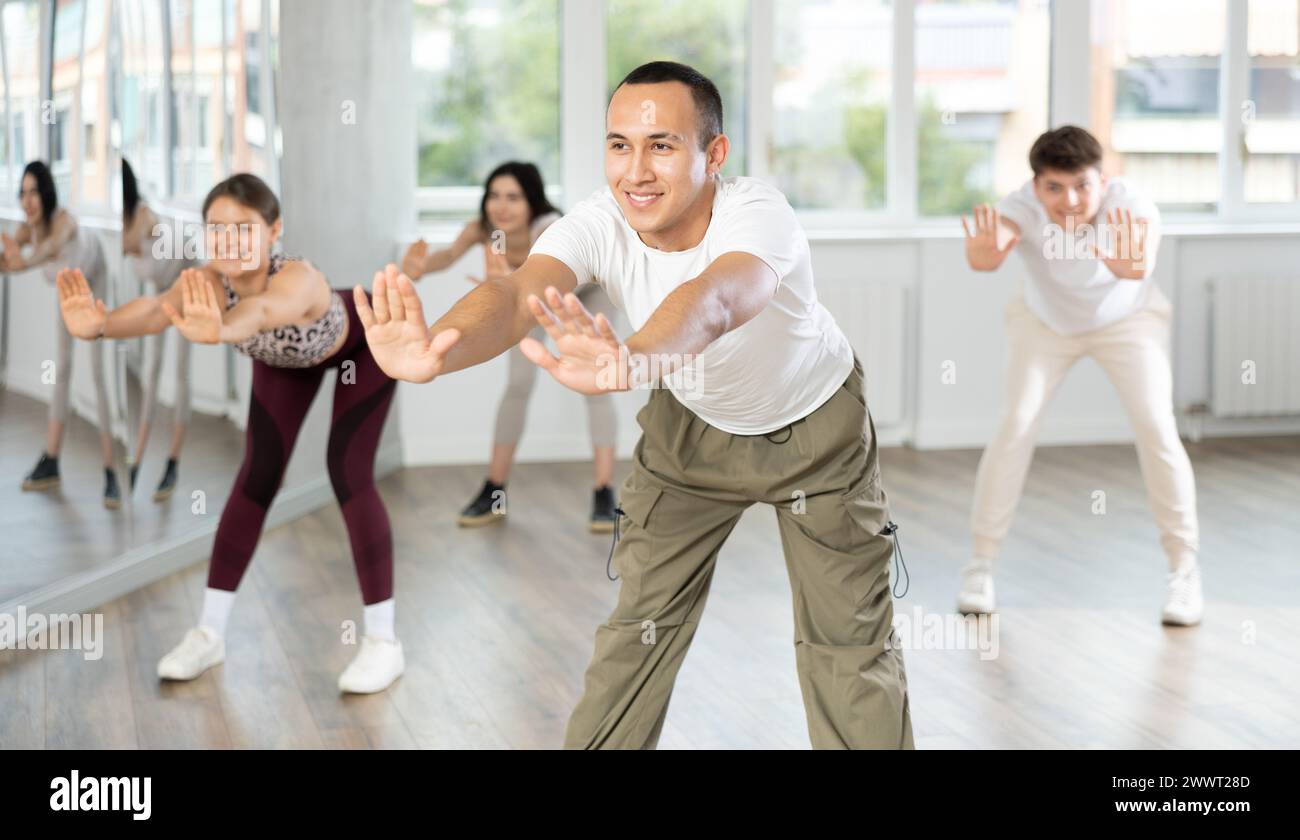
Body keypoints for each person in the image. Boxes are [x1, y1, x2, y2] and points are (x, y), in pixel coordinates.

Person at [357, 61, 914, 748]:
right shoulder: (599, 221)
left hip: (816, 435)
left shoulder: (757, 213)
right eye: (620, 144)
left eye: (662, 145)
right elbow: (518, 294)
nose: (636, 170)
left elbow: (714, 299)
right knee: (635, 639)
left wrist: (638, 356)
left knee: (849, 648)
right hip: (689, 437)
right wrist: (439, 348)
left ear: (713, 155)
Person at [57, 173, 404, 693]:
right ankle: (209, 633)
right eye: (217, 227)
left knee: (348, 472)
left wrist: (220, 329)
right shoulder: (207, 280)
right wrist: (100, 325)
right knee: (256, 480)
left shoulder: (299, 279)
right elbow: (155, 311)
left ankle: (383, 643)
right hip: (287, 363)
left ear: (275, 230)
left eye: (245, 227)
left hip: (365, 347)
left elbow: (262, 312)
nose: (229, 239)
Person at [957, 125, 1201, 626]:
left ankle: (1184, 572)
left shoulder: (1131, 204)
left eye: (1082, 186)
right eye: (1054, 188)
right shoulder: (1020, 208)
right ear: (1036, 186)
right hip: (1046, 323)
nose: (1069, 200)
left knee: (1157, 427)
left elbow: (1136, 269)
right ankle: (980, 566)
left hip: (1128, 319)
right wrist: (985, 252)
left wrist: (1103, 251)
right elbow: (988, 253)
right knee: (1015, 426)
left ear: (1102, 180)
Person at [401, 162, 620, 532]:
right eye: (494, 196)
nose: (501, 207)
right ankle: (494, 490)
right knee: (518, 385)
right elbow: (448, 255)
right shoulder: (484, 230)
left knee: (596, 386)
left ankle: (604, 493)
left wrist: (509, 282)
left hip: (586, 296)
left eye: (513, 198)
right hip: (532, 301)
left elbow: (554, 281)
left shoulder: (547, 226)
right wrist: (420, 267)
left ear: (532, 201)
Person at [7, 161, 119, 508]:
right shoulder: (26, 229)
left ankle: (112, 471)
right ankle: (52, 459)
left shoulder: (63, 223)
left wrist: (20, 260)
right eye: (23, 193)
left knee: (98, 375)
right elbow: (9, 259)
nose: (28, 201)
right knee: (61, 369)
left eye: (34, 192)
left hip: (94, 284)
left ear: (47, 194)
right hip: (68, 292)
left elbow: (42, 252)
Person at [121, 158, 196, 500]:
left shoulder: (144, 215)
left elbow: (141, 236)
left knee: (179, 371)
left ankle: (173, 463)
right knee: (152, 370)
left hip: (188, 280)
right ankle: (136, 458)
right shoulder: (125, 223)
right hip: (164, 286)